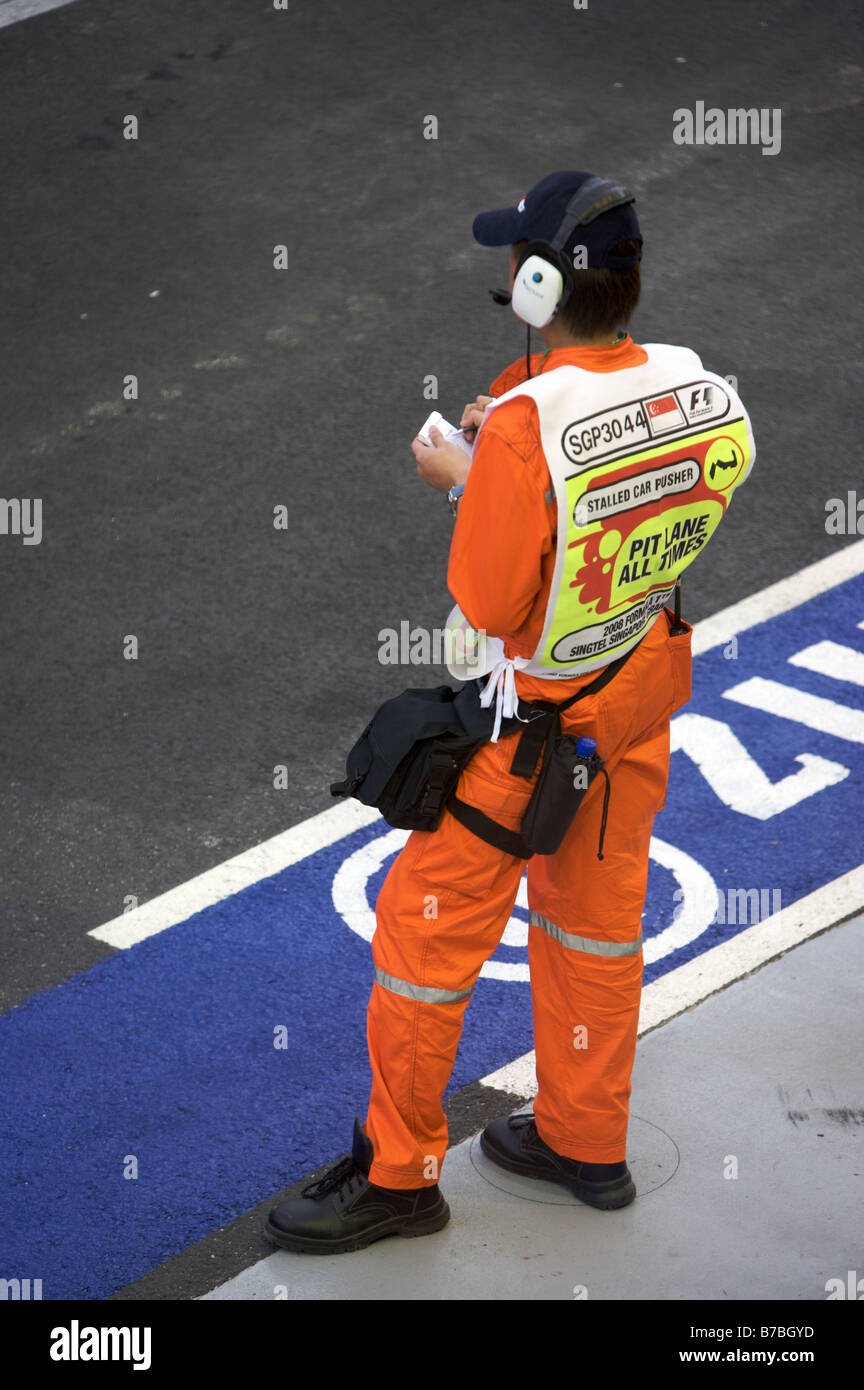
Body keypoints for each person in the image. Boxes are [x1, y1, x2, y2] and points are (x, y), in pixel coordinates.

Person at [265, 170, 755, 1255]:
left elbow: (494, 600)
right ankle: (586, 1140)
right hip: (633, 711)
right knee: (593, 924)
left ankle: (399, 1175)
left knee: (419, 945)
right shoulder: (693, 387)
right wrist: (508, 454)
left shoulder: (530, 426)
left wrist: (466, 473)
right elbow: (625, 512)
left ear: (539, 284)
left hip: (525, 735)